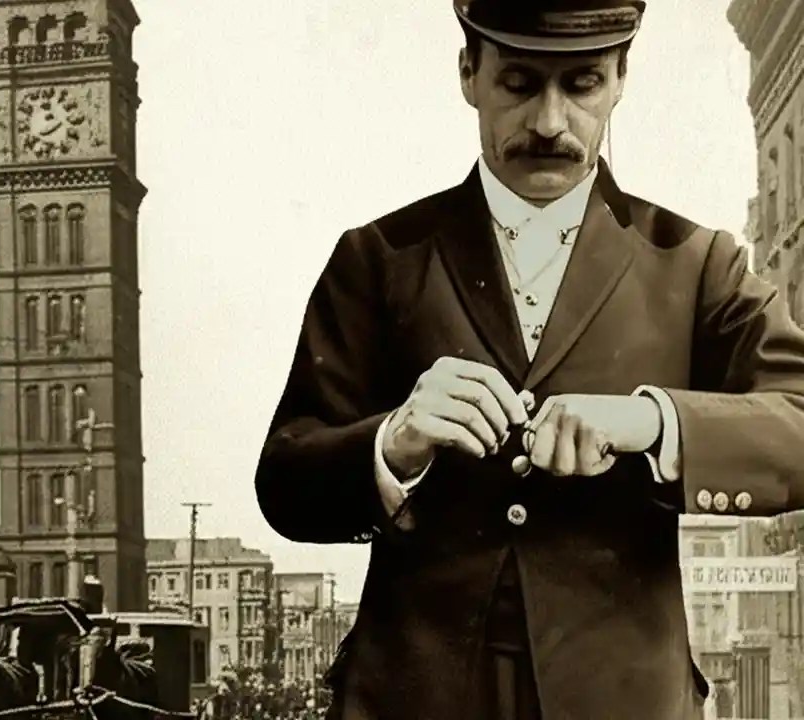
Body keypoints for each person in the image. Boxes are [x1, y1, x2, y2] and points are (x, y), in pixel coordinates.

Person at [253, 1, 804, 718]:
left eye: (581, 84)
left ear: (620, 79)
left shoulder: (697, 263)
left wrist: (654, 420)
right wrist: (395, 443)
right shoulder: (377, 258)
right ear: (468, 74)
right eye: (518, 82)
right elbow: (285, 480)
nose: (549, 123)